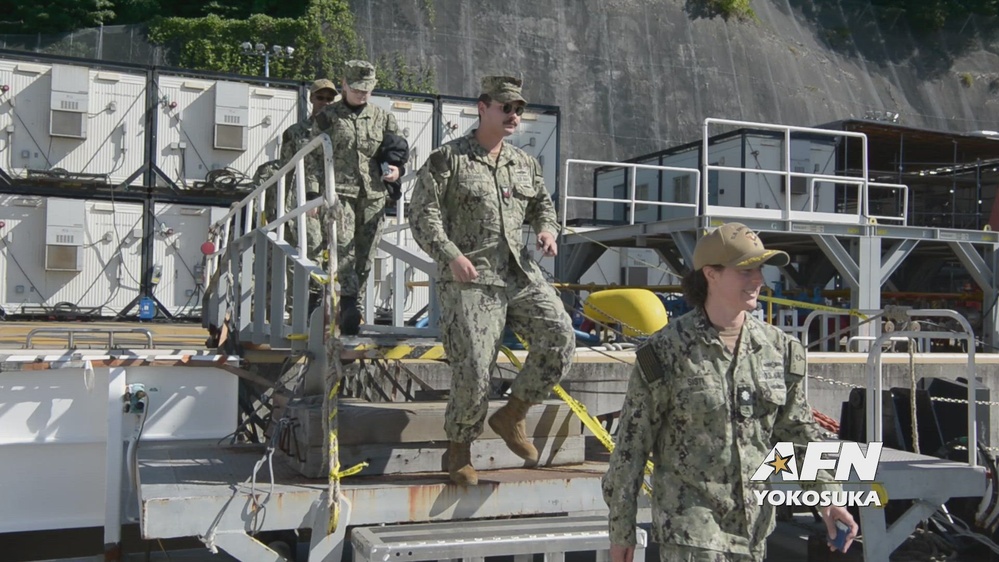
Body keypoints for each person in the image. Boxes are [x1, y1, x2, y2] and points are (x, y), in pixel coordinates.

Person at [601, 222, 858, 562]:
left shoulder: (781, 350)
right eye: (746, 271)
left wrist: (827, 498)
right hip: (691, 529)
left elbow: (798, 433)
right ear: (711, 274)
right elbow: (631, 449)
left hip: (754, 530)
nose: (758, 281)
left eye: (760, 270)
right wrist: (622, 530)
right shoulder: (665, 352)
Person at [407, 75, 575, 486]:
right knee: (477, 366)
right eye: (506, 107)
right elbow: (422, 213)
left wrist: (548, 231)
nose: (514, 115)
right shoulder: (449, 159)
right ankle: (460, 450)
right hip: (471, 277)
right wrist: (451, 256)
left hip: (517, 272)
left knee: (560, 335)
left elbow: (542, 207)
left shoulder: (524, 163)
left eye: (518, 109)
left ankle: (512, 414)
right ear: (482, 107)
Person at [312, 60, 402, 335]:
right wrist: (312, 194)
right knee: (344, 247)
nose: (363, 95)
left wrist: (397, 169)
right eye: (357, 89)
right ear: (344, 85)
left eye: (367, 89)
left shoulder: (382, 117)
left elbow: (395, 149)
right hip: (341, 193)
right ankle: (349, 303)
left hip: (373, 194)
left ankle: (353, 304)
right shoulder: (328, 118)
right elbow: (314, 159)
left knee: (366, 253)